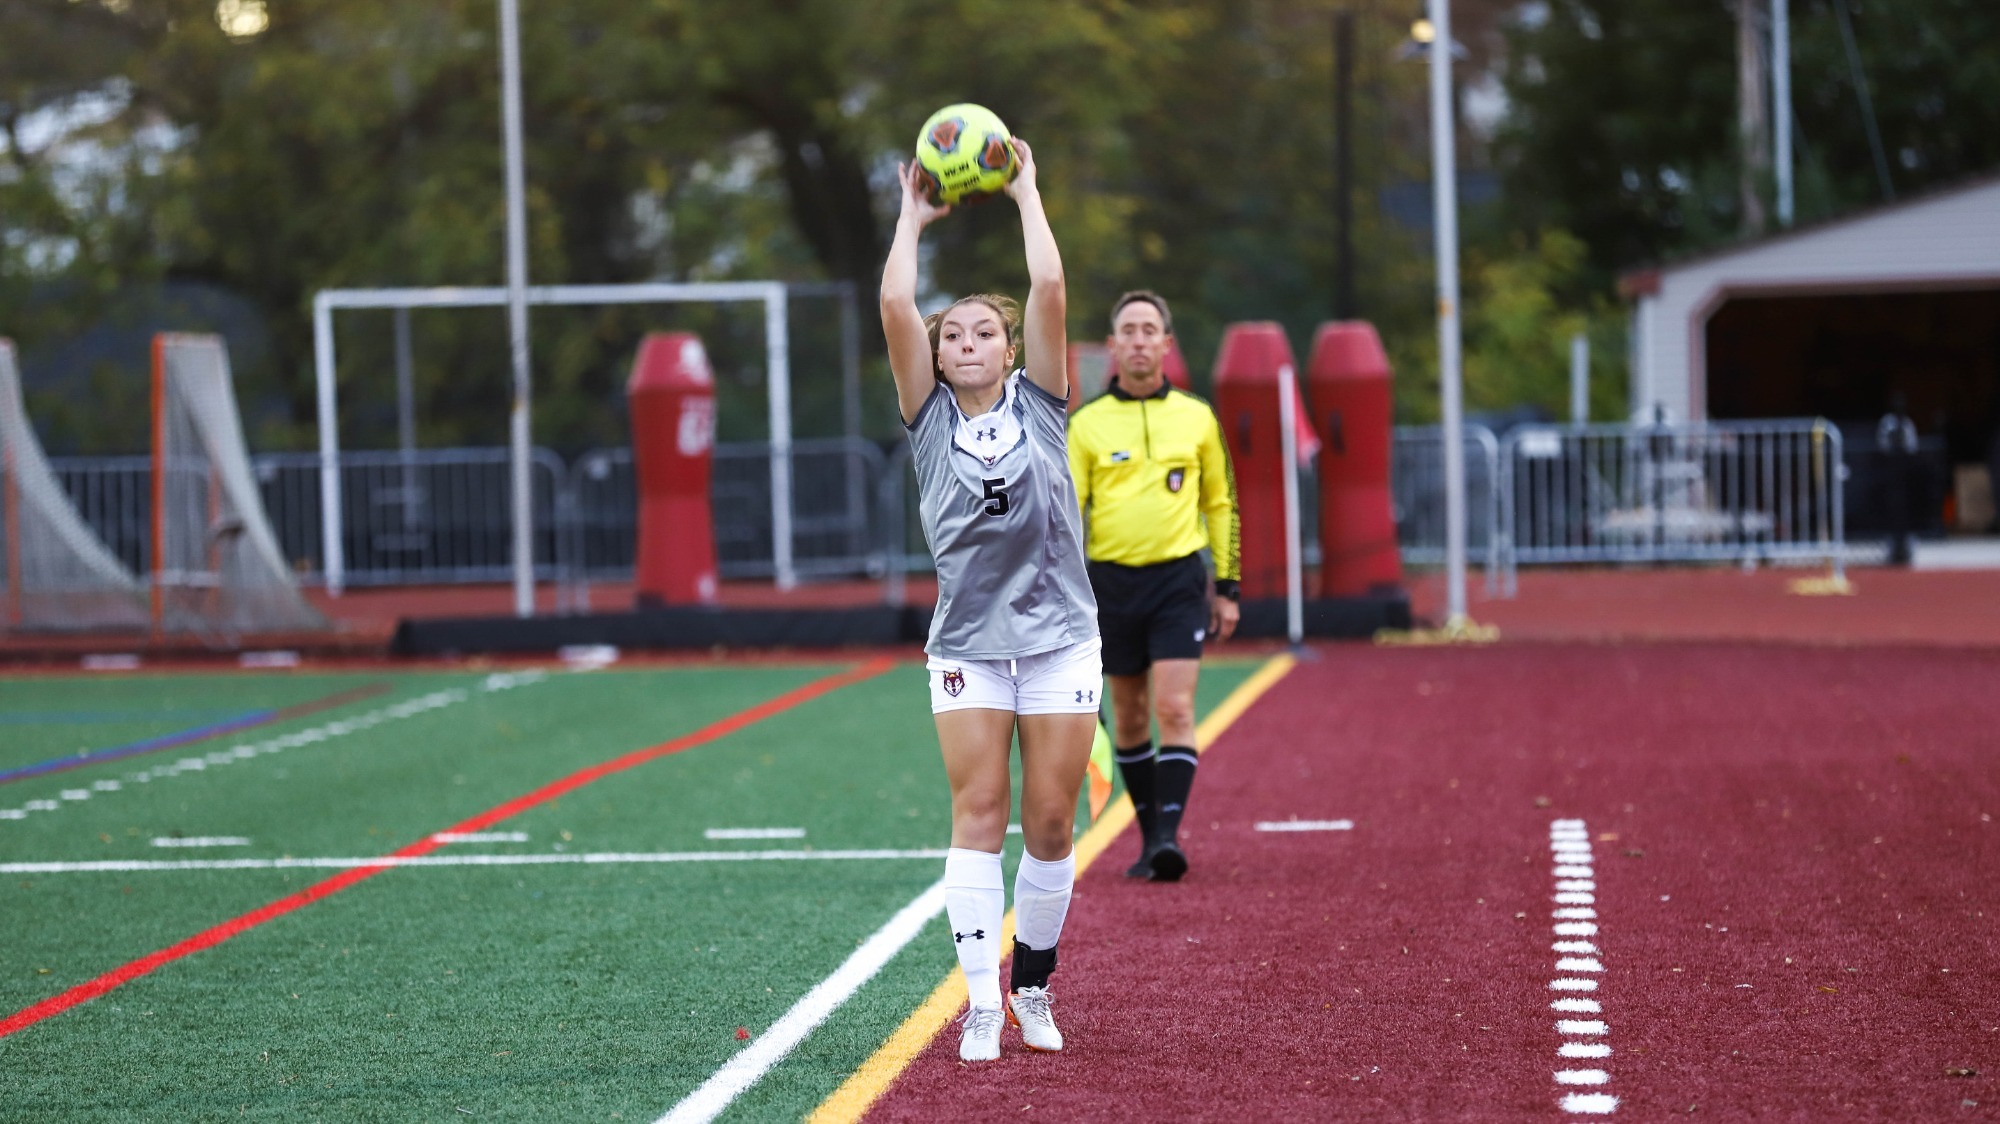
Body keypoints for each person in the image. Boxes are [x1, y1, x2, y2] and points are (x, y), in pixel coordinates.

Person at [881, 137, 1101, 1063]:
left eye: (982, 332)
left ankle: (1035, 988)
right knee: (979, 809)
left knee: (1050, 821)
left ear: (1011, 349)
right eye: (952, 334)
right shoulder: (928, 420)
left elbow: (1049, 288)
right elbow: (896, 301)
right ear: (937, 355)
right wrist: (913, 216)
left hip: (1058, 639)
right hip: (969, 643)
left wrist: (1027, 192)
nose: (965, 342)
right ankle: (980, 1005)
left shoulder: (1044, 406)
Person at [1067, 291, 1240, 882]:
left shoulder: (1196, 417)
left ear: (1166, 344)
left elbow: (1220, 503)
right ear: (1112, 347)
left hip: (1177, 582)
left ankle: (1166, 836)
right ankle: (1149, 837)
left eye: (1150, 330)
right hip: (1109, 586)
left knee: (1175, 706)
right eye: (1128, 331)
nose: (1139, 340)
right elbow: (1068, 515)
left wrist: (1227, 586)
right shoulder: (1086, 424)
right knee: (1132, 716)